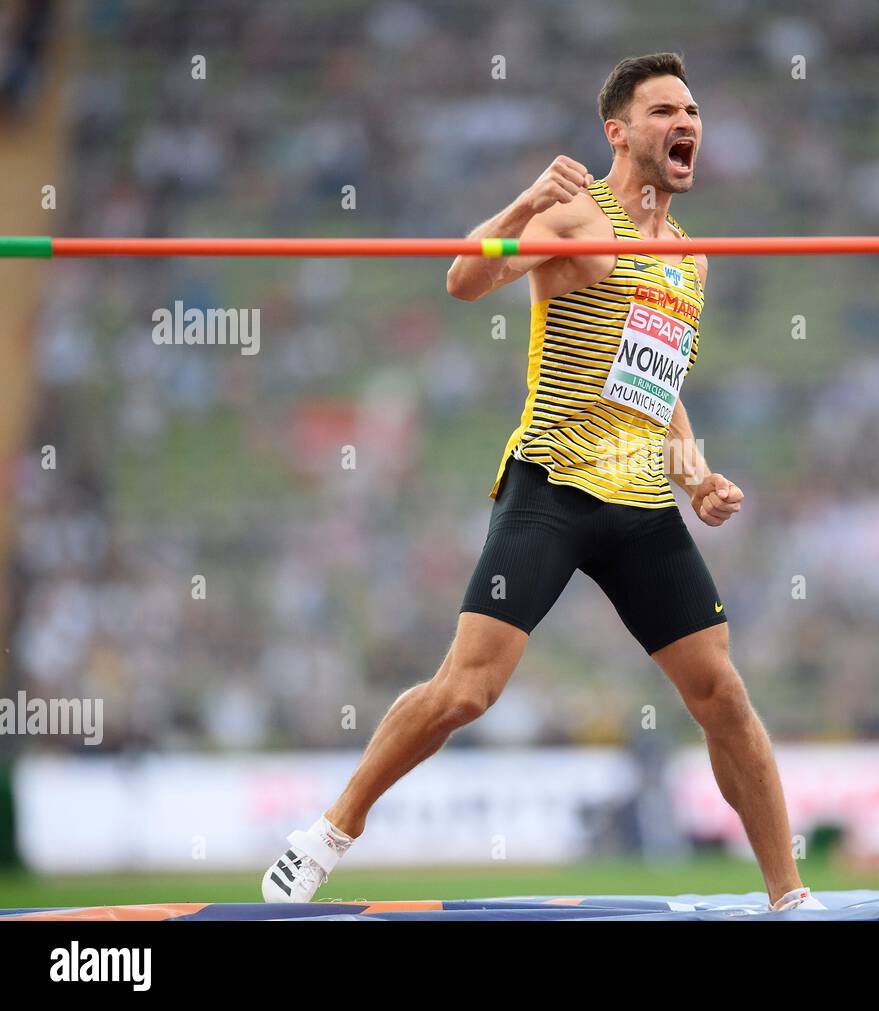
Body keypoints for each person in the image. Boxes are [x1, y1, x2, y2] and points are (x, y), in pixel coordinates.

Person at [262, 53, 822, 913]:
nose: (688, 123)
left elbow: (655, 384)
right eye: (666, 109)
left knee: (723, 695)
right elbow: (462, 280)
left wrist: (696, 472)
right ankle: (329, 832)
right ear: (619, 132)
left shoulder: (690, 259)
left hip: (639, 496)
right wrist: (524, 202)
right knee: (465, 691)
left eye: (695, 110)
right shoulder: (575, 216)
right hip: (553, 484)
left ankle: (790, 897)